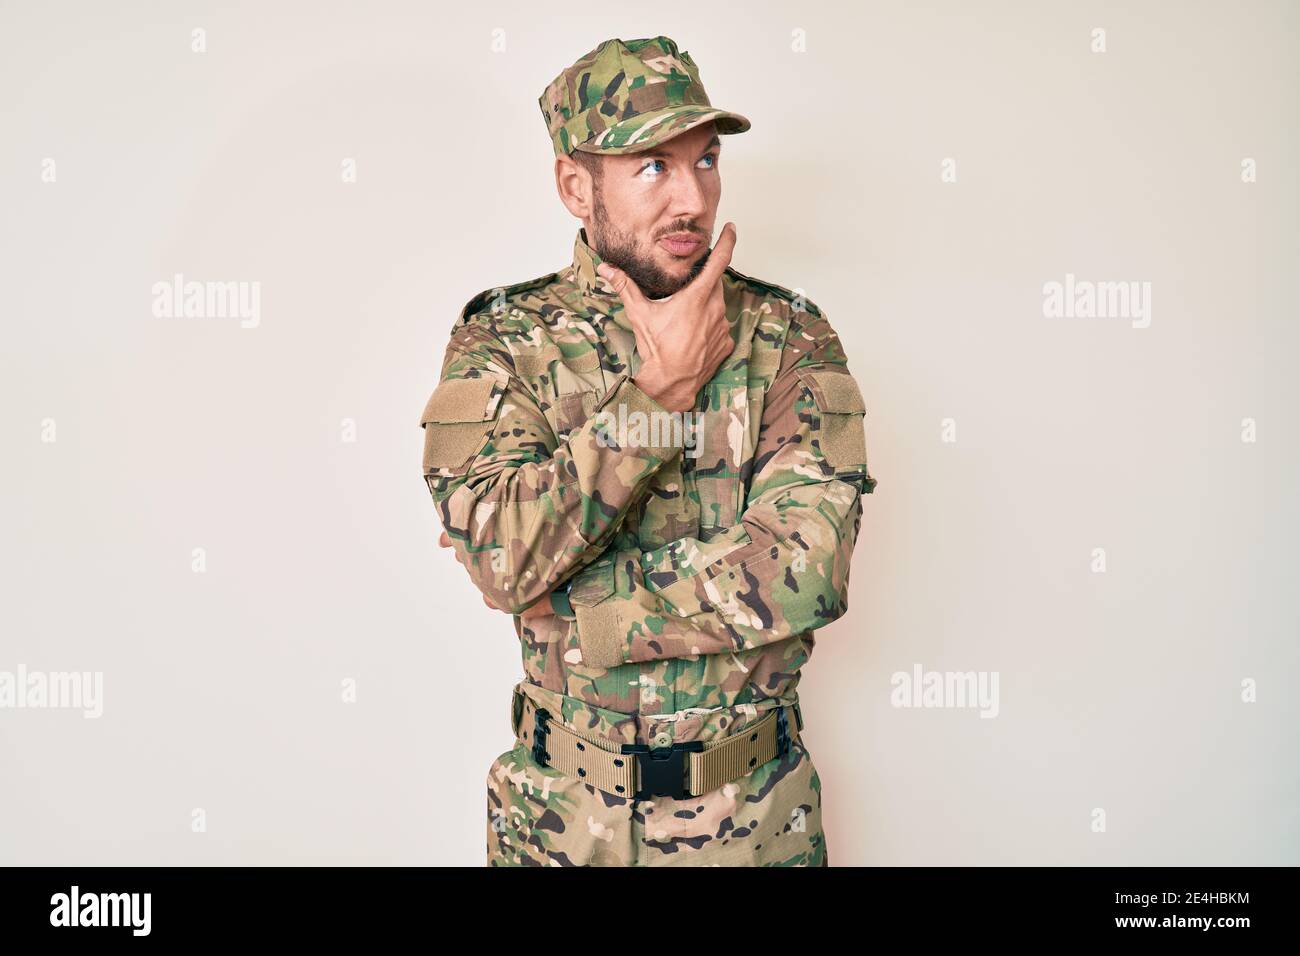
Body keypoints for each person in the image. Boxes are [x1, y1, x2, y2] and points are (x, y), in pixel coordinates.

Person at [419, 35, 876, 866]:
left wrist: (579, 609)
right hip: (558, 828)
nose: (693, 199)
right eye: (653, 168)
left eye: (704, 161)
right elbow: (502, 559)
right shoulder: (505, 342)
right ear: (574, 186)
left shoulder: (789, 338)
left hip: (755, 827)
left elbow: (808, 569)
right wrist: (654, 397)